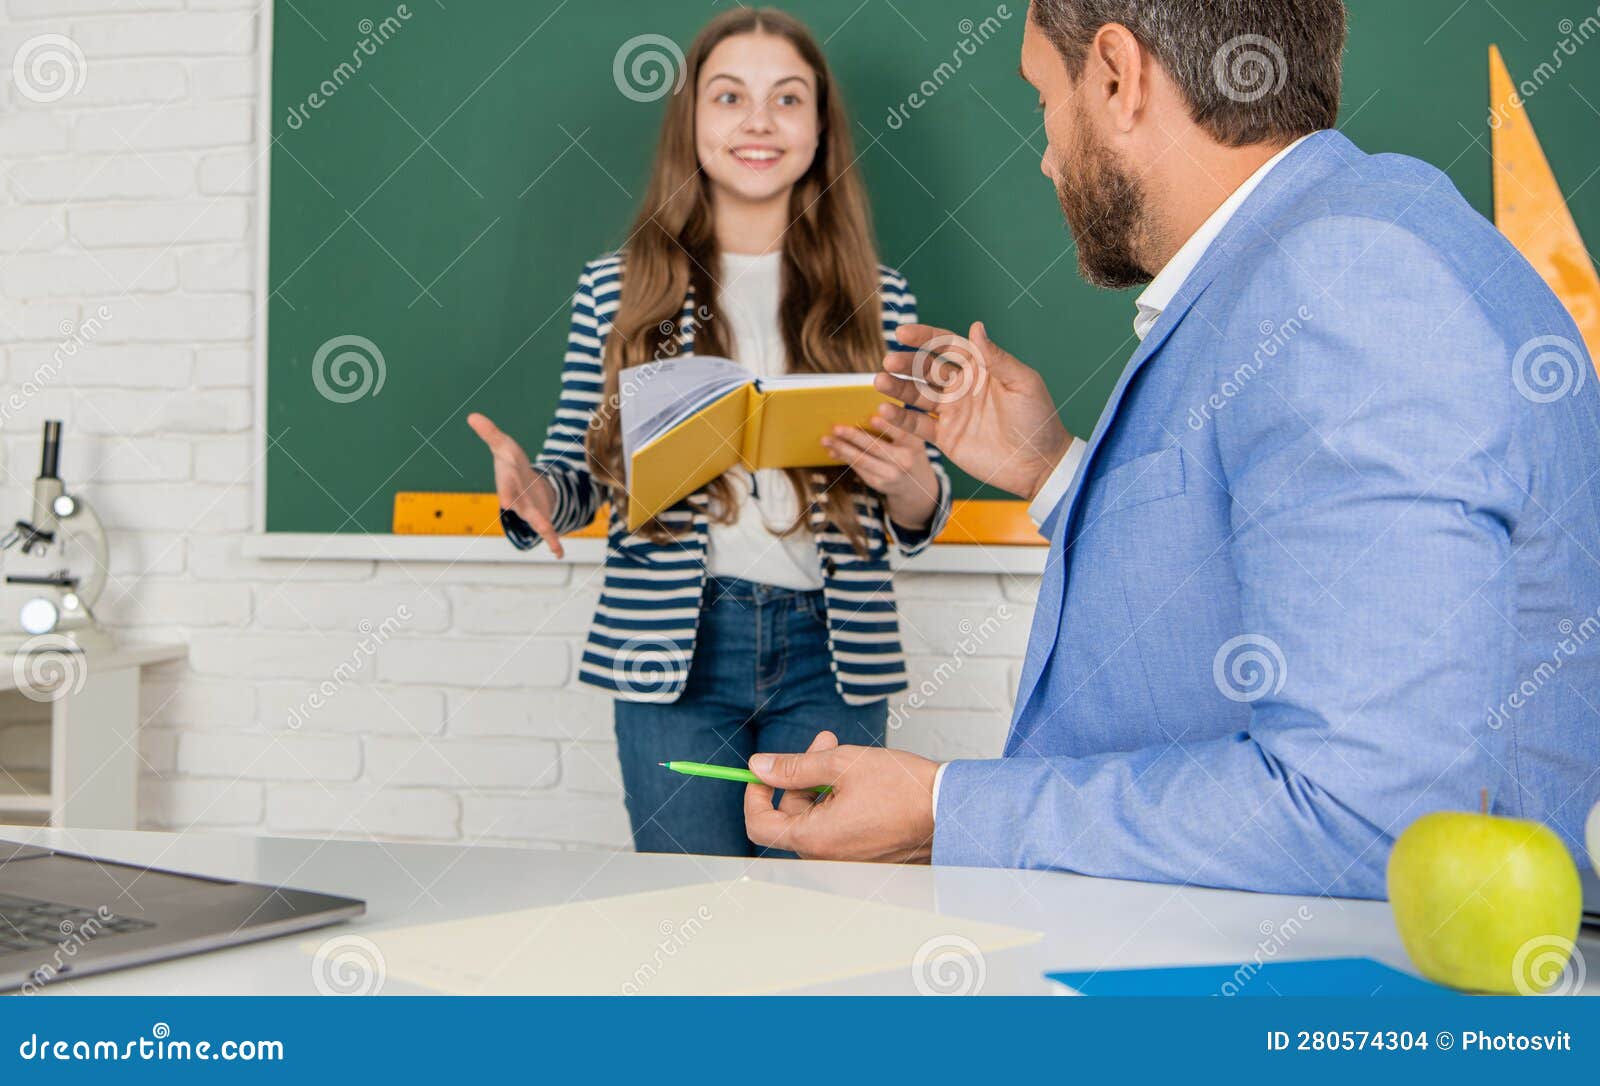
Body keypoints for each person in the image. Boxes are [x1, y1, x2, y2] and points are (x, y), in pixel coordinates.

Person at [741, 0, 1600, 899]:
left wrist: (944, 807)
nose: (1045, 156)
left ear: (1117, 75)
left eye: (1043, 100)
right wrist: (1052, 468)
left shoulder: (1346, 284)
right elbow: (1268, 564)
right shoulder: (1352, 237)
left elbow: (1365, 809)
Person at [468, 8, 951, 857]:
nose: (759, 121)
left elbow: (922, 501)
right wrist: (536, 494)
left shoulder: (884, 296)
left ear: (819, 128)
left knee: (828, 912)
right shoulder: (614, 290)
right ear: (691, 124)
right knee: (686, 915)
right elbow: (578, 477)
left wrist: (908, 481)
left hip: (832, 654)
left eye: (788, 99)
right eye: (730, 97)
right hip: (672, 652)